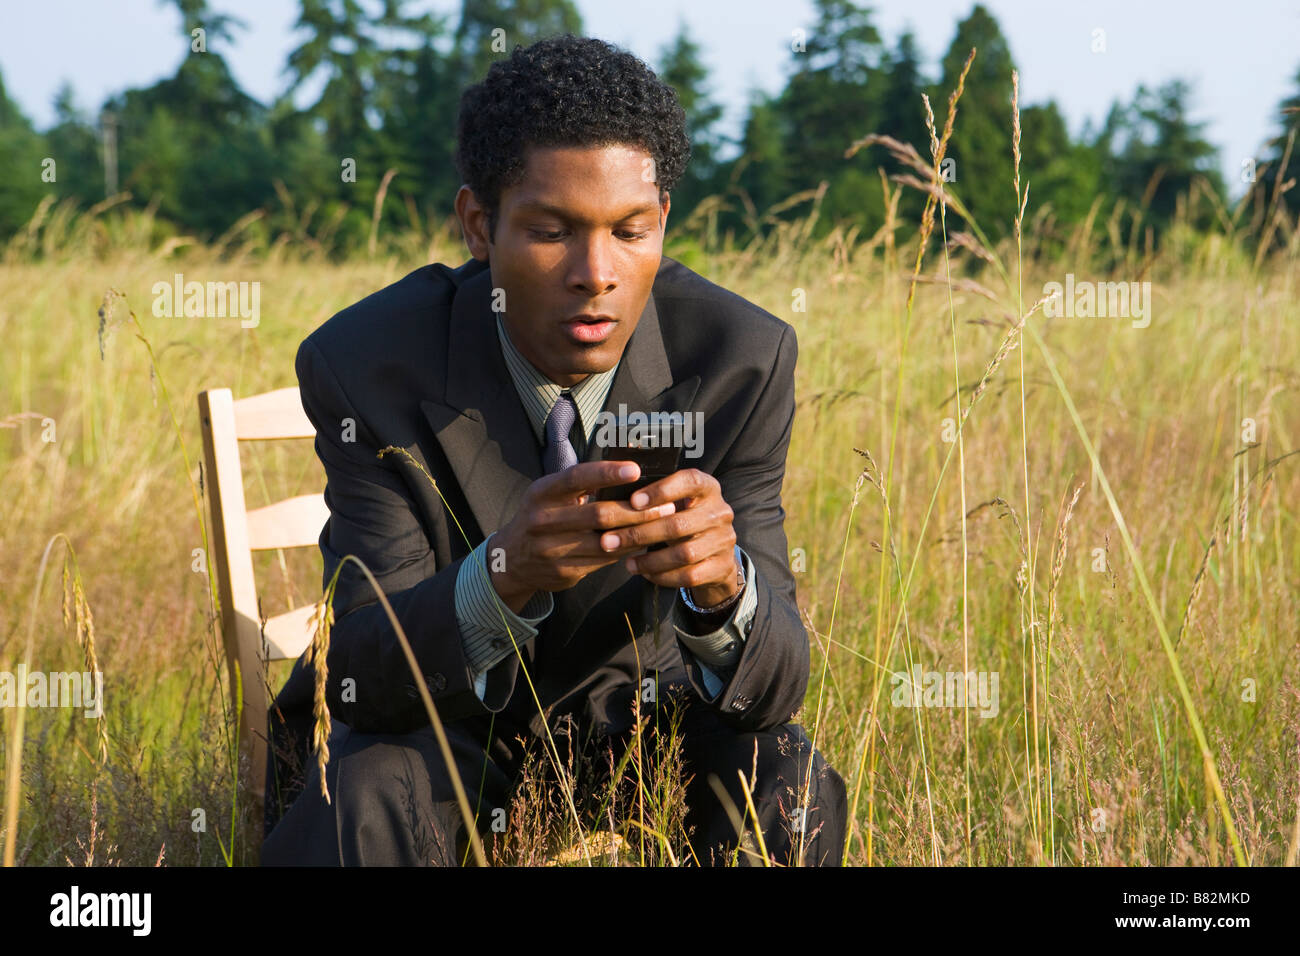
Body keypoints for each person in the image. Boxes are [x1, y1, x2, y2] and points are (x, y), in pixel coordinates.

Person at [260, 32, 846, 867]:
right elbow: (360, 670)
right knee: (364, 789)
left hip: (643, 732)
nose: (596, 272)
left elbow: (777, 691)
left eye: (630, 231)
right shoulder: (367, 366)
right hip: (444, 734)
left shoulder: (740, 359)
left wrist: (726, 593)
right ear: (478, 225)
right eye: (552, 231)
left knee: (784, 777)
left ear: (663, 225)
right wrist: (500, 577)